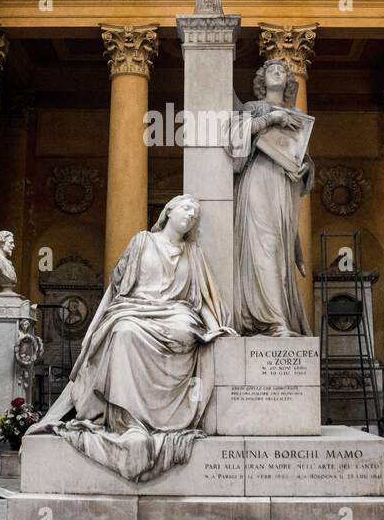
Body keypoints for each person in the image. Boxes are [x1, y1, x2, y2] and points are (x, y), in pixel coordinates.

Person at [29, 194, 235, 481]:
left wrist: (214, 328)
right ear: (169, 211)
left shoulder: (193, 253)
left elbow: (201, 300)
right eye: (186, 208)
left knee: (186, 331)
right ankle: (128, 422)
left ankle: (164, 420)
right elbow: (120, 285)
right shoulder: (142, 241)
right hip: (136, 308)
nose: (190, 216)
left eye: (195, 214)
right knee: (123, 331)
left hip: (177, 313)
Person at [228, 59, 315, 337]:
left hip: (285, 185)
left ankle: (280, 317)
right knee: (262, 244)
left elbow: (302, 156)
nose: (277, 72)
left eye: (282, 70)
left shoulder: (297, 115)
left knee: (280, 249)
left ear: (289, 80)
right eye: (270, 69)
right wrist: (270, 119)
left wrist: (304, 169)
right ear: (262, 79)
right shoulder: (252, 109)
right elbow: (235, 137)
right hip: (259, 177)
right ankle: (273, 320)